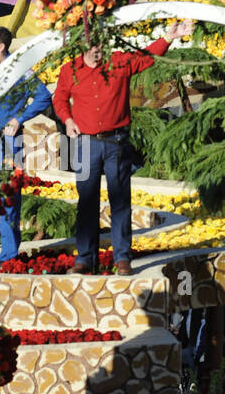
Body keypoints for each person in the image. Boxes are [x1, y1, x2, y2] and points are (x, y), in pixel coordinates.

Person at [52, 19, 194, 275]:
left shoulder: (118, 61)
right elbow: (60, 98)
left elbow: (146, 58)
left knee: (120, 201)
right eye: (92, 46)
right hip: (85, 144)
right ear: (81, 46)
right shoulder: (69, 70)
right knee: (86, 201)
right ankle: (85, 259)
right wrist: (68, 120)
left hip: (116, 142)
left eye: (100, 45)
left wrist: (170, 38)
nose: (97, 50)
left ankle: (122, 258)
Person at [0, 27, 53, 270]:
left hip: (8, 142)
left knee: (7, 198)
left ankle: (8, 258)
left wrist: (19, 118)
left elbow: (43, 96)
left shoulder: (20, 70)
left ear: (1, 47)